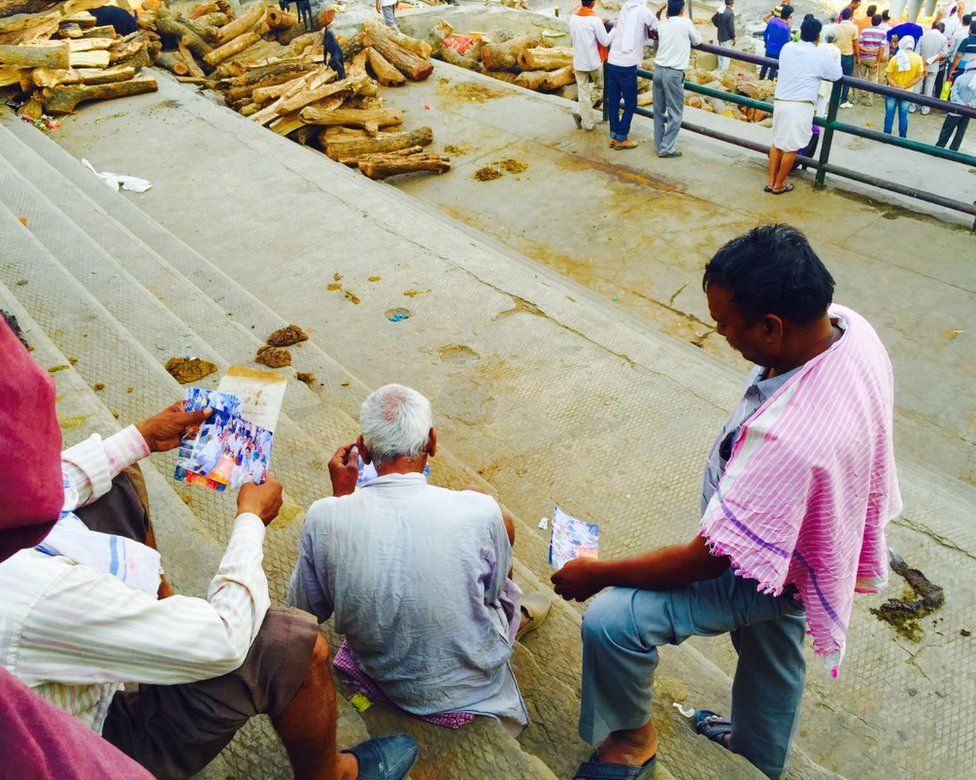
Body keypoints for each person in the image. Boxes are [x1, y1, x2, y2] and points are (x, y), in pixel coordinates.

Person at [554, 223, 901, 780]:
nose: (718, 332)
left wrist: (599, 573)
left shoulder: (792, 439)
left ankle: (632, 744)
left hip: (762, 563)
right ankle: (757, 758)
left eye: (725, 323)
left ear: (771, 326)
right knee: (771, 652)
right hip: (804, 541)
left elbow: (709, 559)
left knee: (612, 622)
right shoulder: (849, 328)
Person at [0, 327, 418, 780]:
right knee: (292, 642)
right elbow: (225, 638)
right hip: (86, 739)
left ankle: (163, 622)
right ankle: (332, 774)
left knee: (115, 480)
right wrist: (251, 520)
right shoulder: (35, 594)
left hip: (52, 657)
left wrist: (143, 437)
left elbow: (55, 486)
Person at [289, 384, 552, 734]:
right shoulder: (480, 512)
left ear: (364, 450)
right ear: (431, 441)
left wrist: (340, 501)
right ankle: (515, 617)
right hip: (472, 678)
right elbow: (489, 594)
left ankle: (513, 617)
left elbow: (304, 609)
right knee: (486, 513)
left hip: (384, 675)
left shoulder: (324, 516)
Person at [767, 17, 842, 194]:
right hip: (801, 105)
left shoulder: (787, 48)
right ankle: (779, 184)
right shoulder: (820, 54)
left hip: (781, 101)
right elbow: (837, 75)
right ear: (818, 36)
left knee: (777, 143)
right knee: (791, 147)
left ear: (800, 31)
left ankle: (771, 181)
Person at [605, 0, 658, 149]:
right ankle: (622, 137)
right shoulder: (644, 11)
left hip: (613, 60)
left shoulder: (625, 7)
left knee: (614, 102)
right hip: (627, 64)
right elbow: (657, 26)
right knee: (631, 103)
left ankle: (614, 135)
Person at [653, 0, 701, 158]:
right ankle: (666, 148)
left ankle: (659, 144)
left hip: (658, 70)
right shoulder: (685, 23)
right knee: (675, 114)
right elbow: (697, 41)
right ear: (682, 10)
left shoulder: (663, 25)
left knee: (658, 111)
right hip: (674, 73)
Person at [569, 0, 612, 131]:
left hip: (579, 62)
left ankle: (587, 122)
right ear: (593, 3)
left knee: (583, 94)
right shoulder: (595, 20)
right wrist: (614, 29)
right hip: (593, 62)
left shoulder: (572, 18)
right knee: (600, 87)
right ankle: (580, 113)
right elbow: (605, 41)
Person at [884, 36, 924, 137]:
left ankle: (886, 135)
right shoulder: (918, 59)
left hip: (892, 90)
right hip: (907, 91)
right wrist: (905, 86)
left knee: (889, 113)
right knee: (903, 115)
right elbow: (919, 77)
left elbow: (888, 76)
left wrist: (896, 86)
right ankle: (902, 136)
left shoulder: (895, 58)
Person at [936, 58, 976, 150]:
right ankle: (953, 151)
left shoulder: (960, 78)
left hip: (955, 109)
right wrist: (969, 104)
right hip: (969, 111)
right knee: (960, 133)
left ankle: (939, 148)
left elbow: (954, 94)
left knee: (946, 131)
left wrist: (961, 104)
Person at [854, 13, 887, 104]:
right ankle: (869, 100)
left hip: (864, 57)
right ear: (880, 22)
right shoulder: (883, 33)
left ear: (871, 21)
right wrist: (878, 60)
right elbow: (882, 47)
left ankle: (855, 98)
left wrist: (867, 50)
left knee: (859, 78)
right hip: (874, 59)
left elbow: (859, 45)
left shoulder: (864, 31)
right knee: (872, 79)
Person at [916, 22, 949, 113]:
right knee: (929, 88)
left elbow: (917, 52)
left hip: (921, 65)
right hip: (933, 66)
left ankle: (912, 105)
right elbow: (943, 54)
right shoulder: (943, 39)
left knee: (917, 86)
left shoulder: (923, 37)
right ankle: (925, 108)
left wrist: (924, 63)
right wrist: (930, 61)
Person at [834, 7, 860, 106]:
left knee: (835, 77)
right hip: (848, 56)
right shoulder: (854, 28)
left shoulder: (836, 27)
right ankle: (843, 100)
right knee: (847, 79)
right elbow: (855, 44)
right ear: (851, 16)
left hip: (836, 55)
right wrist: (858, 57)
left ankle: (834, 98)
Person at [761, 4, 792, 79]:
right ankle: (769, 81)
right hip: (778, 51)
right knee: (773, 68)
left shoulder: (772, 21)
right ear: (788, 16)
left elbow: (765, 33)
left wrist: (766, 43)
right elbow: (786, 43)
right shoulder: (785, 28)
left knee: (765, 65)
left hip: (769, 48)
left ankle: (760, 78)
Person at [320, 8, 345, 80]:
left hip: (337, 56)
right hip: (340, 54)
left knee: (331, 62)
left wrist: (325, 59)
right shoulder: (334, 41)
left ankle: (342, 74)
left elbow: (325, 52)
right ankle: (341, 73)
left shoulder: (327, 43)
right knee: (333, 61)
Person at [711, 0, 736, 71]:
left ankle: (720, 69)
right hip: (727, 38)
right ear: (731, 3)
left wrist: (719, 26)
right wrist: (733, 37)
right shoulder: (730, 13)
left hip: (720, 36)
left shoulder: (721, 10)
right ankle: (723, 71)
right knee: (727, 56)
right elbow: (731, 28)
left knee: (721, 54)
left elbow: (713, 19)